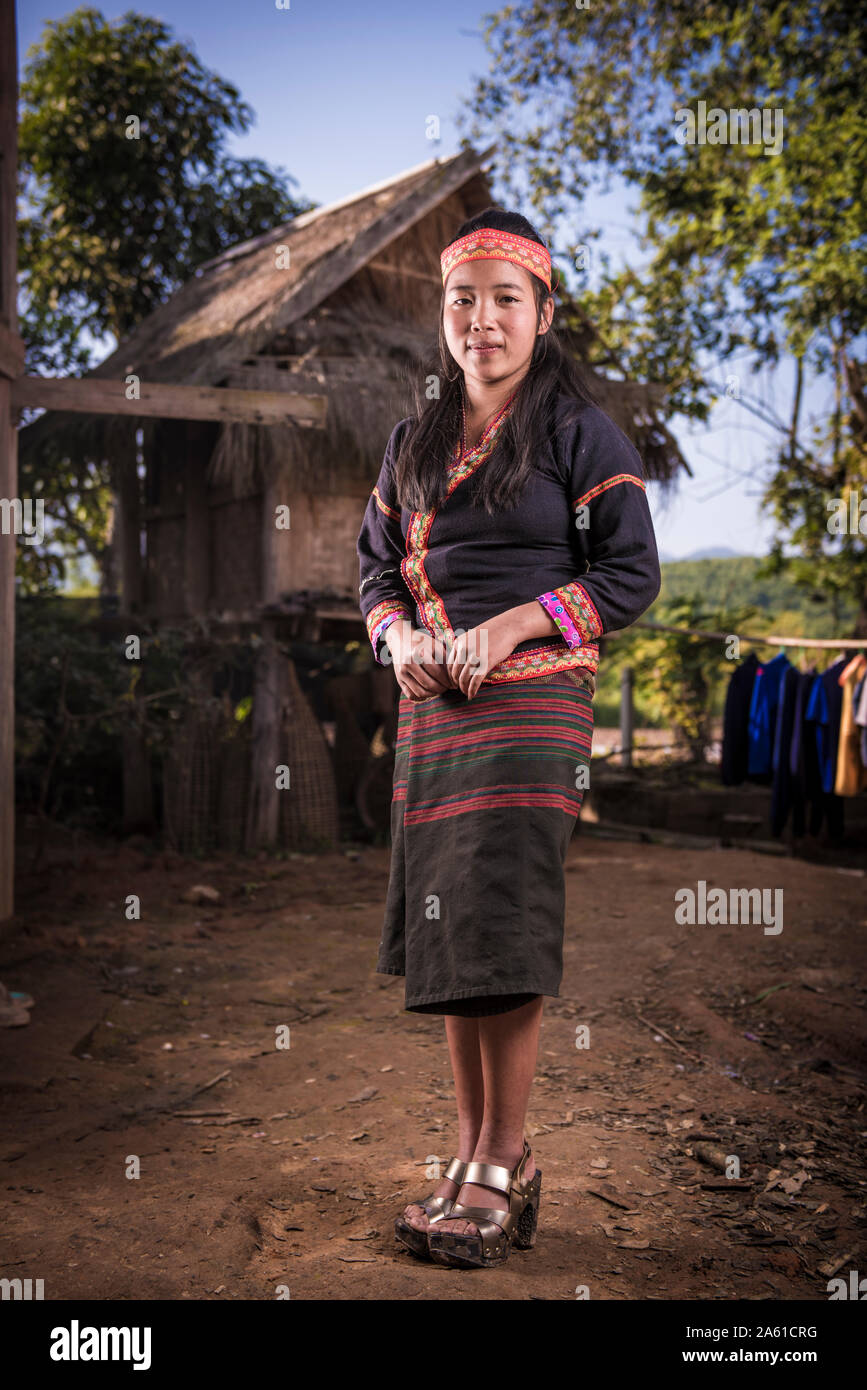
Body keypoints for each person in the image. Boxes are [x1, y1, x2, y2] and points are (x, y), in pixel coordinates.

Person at [356, 207, 661, 1269]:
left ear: (543, 311)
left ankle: (503, 1157)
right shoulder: (411, 442)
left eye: (505, 299)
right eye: (462, 299)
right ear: (444, 312)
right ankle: (475, 1150)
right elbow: (376, 574)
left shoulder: (582, 434)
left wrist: (517, 621)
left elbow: (630, 575)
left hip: (536, 705)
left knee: (506, 913)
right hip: (436, 709)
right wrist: (398, 639)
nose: (481, 320)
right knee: (453, 932)